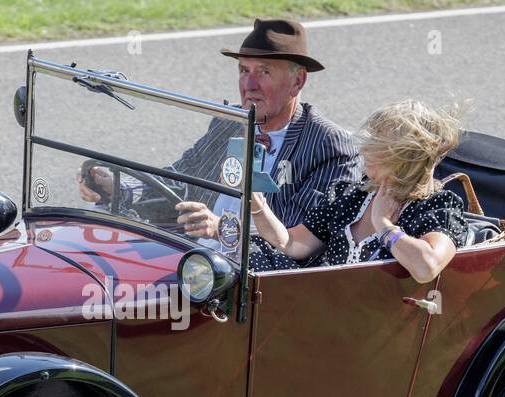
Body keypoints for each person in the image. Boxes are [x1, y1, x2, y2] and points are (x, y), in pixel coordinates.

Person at [78, 18, 362, 237]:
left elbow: (303, 238)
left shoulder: (329, 146)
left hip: (258, 284)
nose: (249, 86)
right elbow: (181, 179)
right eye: (243, 71)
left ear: (298, 81)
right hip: (195, 257)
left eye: (264, 72)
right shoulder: (229, 123)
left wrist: (223, 230)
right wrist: (118, 186)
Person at [248, 100, 469, 283]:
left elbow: (426, 268)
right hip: (321, 305)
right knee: (252, 250)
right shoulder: (351, 195)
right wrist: (257, 204)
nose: (364, 150)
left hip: (374, 319)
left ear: (403, 161)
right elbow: (291, 244)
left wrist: (384, 225)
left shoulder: (438, 206)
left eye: (377, 145)